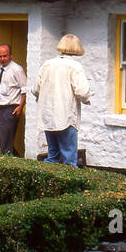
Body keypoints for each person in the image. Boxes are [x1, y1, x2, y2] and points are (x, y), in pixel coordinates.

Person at [32, 34, 91, 167]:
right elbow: (82, 91)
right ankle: (69, 185)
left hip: (48, 117)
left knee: (52, 156)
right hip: (66, 117)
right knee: (69, 159)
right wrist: (87, 99)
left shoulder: (47, 64)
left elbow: (35, 89)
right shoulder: (75, 66)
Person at [0, 43, 28, 155]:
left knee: (6, 141)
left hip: (10, 108)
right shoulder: (0, 69)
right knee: (0, 139)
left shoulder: (17, 69)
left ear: (11, 55)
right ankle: (17, 162)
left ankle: (8, 165)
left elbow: (24, 90)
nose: (2, 59)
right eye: (0, 56)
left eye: (5, 56)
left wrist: (20, 107)